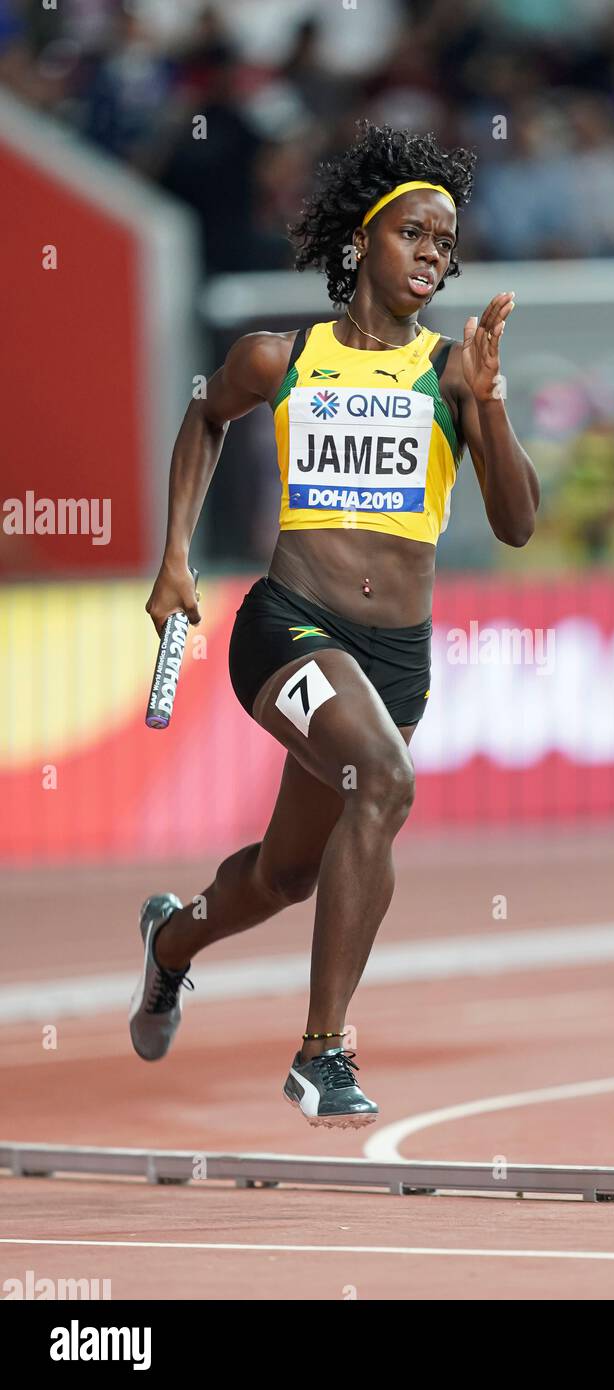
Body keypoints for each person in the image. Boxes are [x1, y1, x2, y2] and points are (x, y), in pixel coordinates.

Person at [130, 122, 540, 1127]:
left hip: (396, 658)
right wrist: (176, 554)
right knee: (385, 782)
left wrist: (489, 409)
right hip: (289, 626)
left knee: (287, 873)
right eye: (414, 236)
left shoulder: (452, 370)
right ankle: (323, 1053)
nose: (433, 259)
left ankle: (170, 942)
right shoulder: (282, 356)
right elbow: (204, 415)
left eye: (446, 246)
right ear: (364, 243)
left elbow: (519, 524)